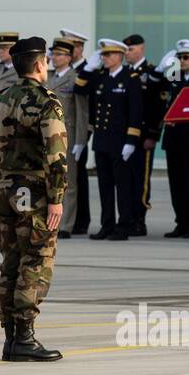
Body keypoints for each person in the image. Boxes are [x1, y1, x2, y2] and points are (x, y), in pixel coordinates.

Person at [0, 36, 66, 362]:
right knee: (36, 259)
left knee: (11, 261)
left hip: (6, 190)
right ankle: (25, 335)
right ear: (40, 64)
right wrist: (56, 198)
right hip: (35, 193)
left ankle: (11, 335)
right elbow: (56, 155)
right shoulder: (46, 102)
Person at [81, 38, 142, 241]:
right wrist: (89, 68)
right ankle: (107, 224)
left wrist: (131, 141)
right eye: (103, 55)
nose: (104, 58)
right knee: (104, 186)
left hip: (120, 141)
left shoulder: (131, 78)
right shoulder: (100, 77)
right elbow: (79, 88)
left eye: (107, 55)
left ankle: (124, 225)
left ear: (119, 56)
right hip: (102, 140)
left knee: (123, 186)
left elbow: (135, 112)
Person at [124, 34, 169, 235]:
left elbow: (159, 107)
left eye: (131, 49)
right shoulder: (123, 72)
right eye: (125, 49)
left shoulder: (152, 73)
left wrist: (153, 135)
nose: (127, 53)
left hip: (143, 137)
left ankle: (139, 219)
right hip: (124, 135)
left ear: (141, 49)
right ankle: (126, 217)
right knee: (125, 178)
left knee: (141, 179)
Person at [158, 40, 189, 238]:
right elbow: (159, 87)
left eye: (186, 57)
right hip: (173, 138)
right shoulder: (176, 77)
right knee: (176, 184)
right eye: (180, 57)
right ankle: (181, 222)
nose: (182, 61)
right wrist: (162, 69)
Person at [45, 38, 84, 238]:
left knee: (68, 184)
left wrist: (80, 140)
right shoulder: (47, 77)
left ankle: (66, 224)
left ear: (69, 57)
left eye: (59, 54)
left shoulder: (74, 78)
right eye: (53, 54)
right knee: (47, 180)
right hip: (45, 138)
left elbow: (80, 112)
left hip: (65, 137)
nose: (54, 58)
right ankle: (49, 222)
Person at [61, 28, 93, 235]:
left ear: (79, 48)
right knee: (72, 177)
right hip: (66, 131)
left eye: (70, 47)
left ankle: (81, 219)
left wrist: (85, 133)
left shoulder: (87, 70)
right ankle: (77, 219)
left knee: (78, 177)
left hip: (80, 129)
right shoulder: (63, 70)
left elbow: (87, 105)